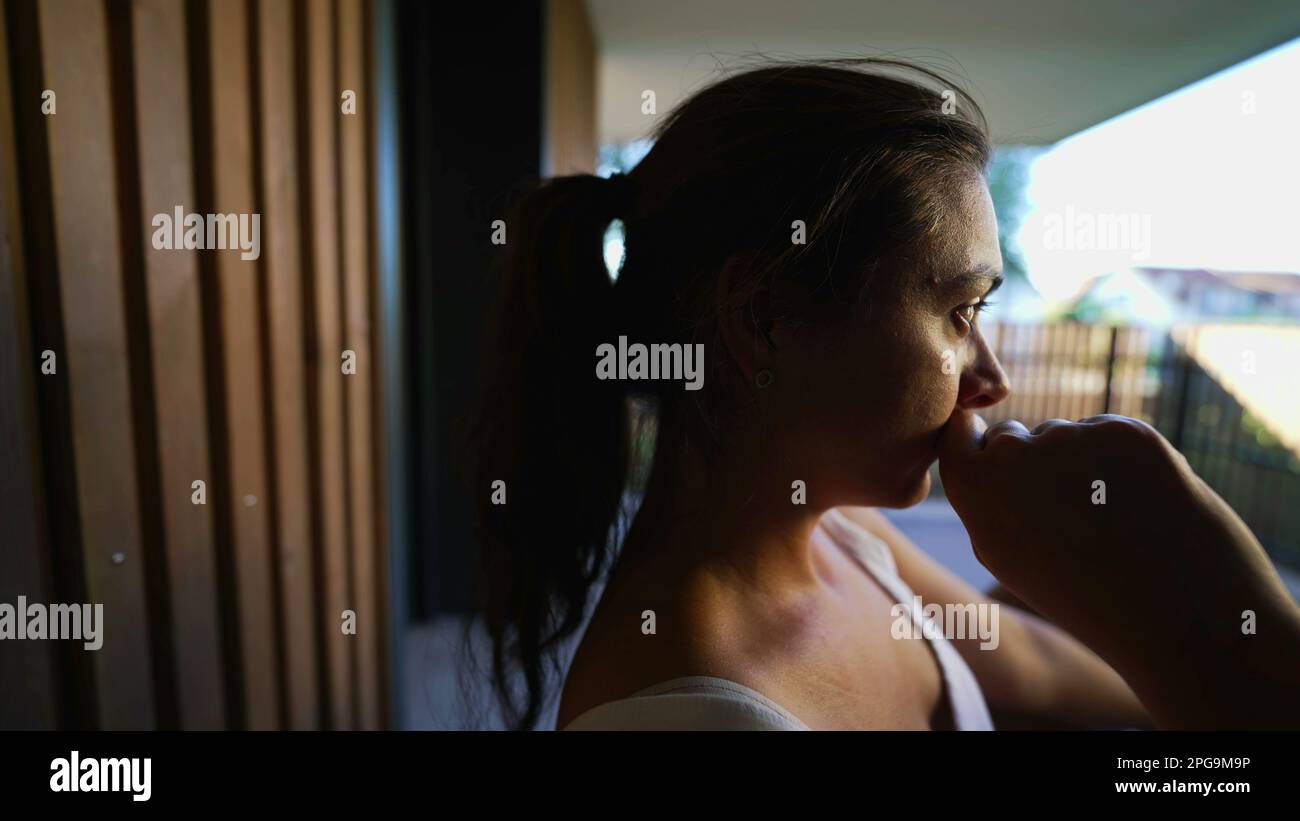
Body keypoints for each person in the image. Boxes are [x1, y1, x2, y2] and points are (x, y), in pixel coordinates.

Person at [468, 58, 1300, 731]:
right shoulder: (685, 713)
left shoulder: (845, 539)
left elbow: (1060, 686)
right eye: (959, 310)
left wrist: (1127, 588)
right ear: (762, 318)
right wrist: (1226, 609)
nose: (992, 379)